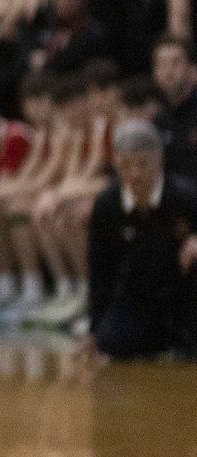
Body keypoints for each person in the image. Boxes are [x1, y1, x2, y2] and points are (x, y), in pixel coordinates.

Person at [87, 120, 197, 358]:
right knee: (110, 341)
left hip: (185, 296)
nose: (134, 174)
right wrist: (94, 330)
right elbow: (100, 269)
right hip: (139, 296)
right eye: (125, 166)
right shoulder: (107, 204)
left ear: (159, 160)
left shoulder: (186, 196)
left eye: (143, 164)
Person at [155, 35, 197, 183]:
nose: (169, 71)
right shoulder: (157, 121)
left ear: (193, 70)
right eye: (162, 64)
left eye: (176, 63)